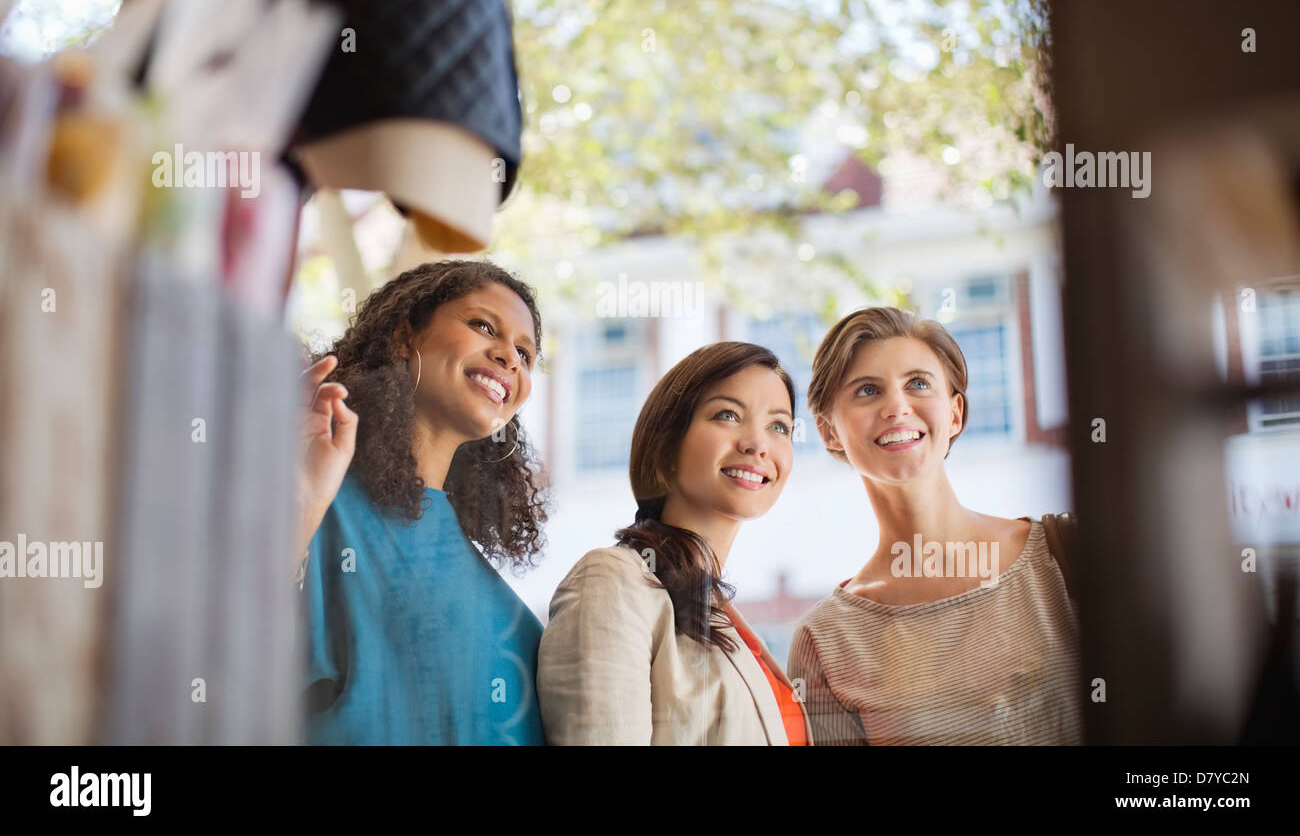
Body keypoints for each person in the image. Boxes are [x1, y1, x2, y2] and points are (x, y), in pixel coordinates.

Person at [788, 306, 1082, 745]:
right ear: (829, 432)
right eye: (868, 390)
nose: (896, 407)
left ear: (955, 414)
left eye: (918, 384)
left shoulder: (1064, 554)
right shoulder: (827, 641)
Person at [295, 258, 550, 744]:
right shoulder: (320, 502)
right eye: (482, 326)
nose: (509, 358)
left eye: (525, 354)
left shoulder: (481, 576)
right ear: (405, 337)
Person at [537, 342, 811, 745]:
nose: (758, 444)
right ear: (665, 450)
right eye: (728, 415)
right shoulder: (614, 581)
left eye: (779, 426)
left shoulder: (720, 613)